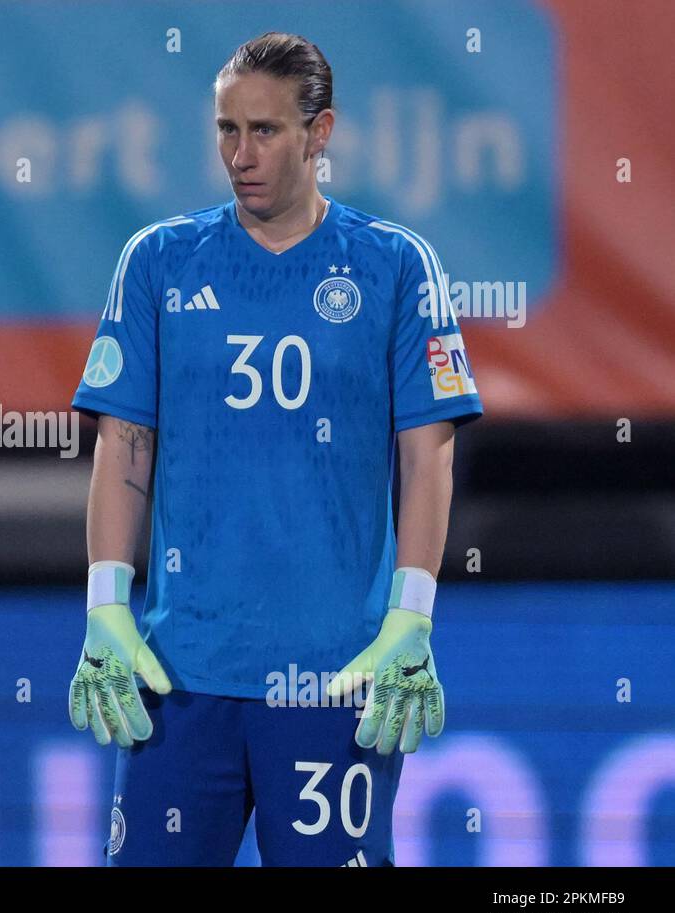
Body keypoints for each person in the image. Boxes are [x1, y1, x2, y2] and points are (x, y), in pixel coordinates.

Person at [68, 31, 482, 866]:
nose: (240, 154)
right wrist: (106, 604)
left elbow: (426, 457)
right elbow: (125, 447)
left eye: (265, 131)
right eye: (226, 129)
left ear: (320, 133)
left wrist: (412, 617)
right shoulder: (158, 262)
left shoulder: (396, 266)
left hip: (338, 677)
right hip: (179, 677)